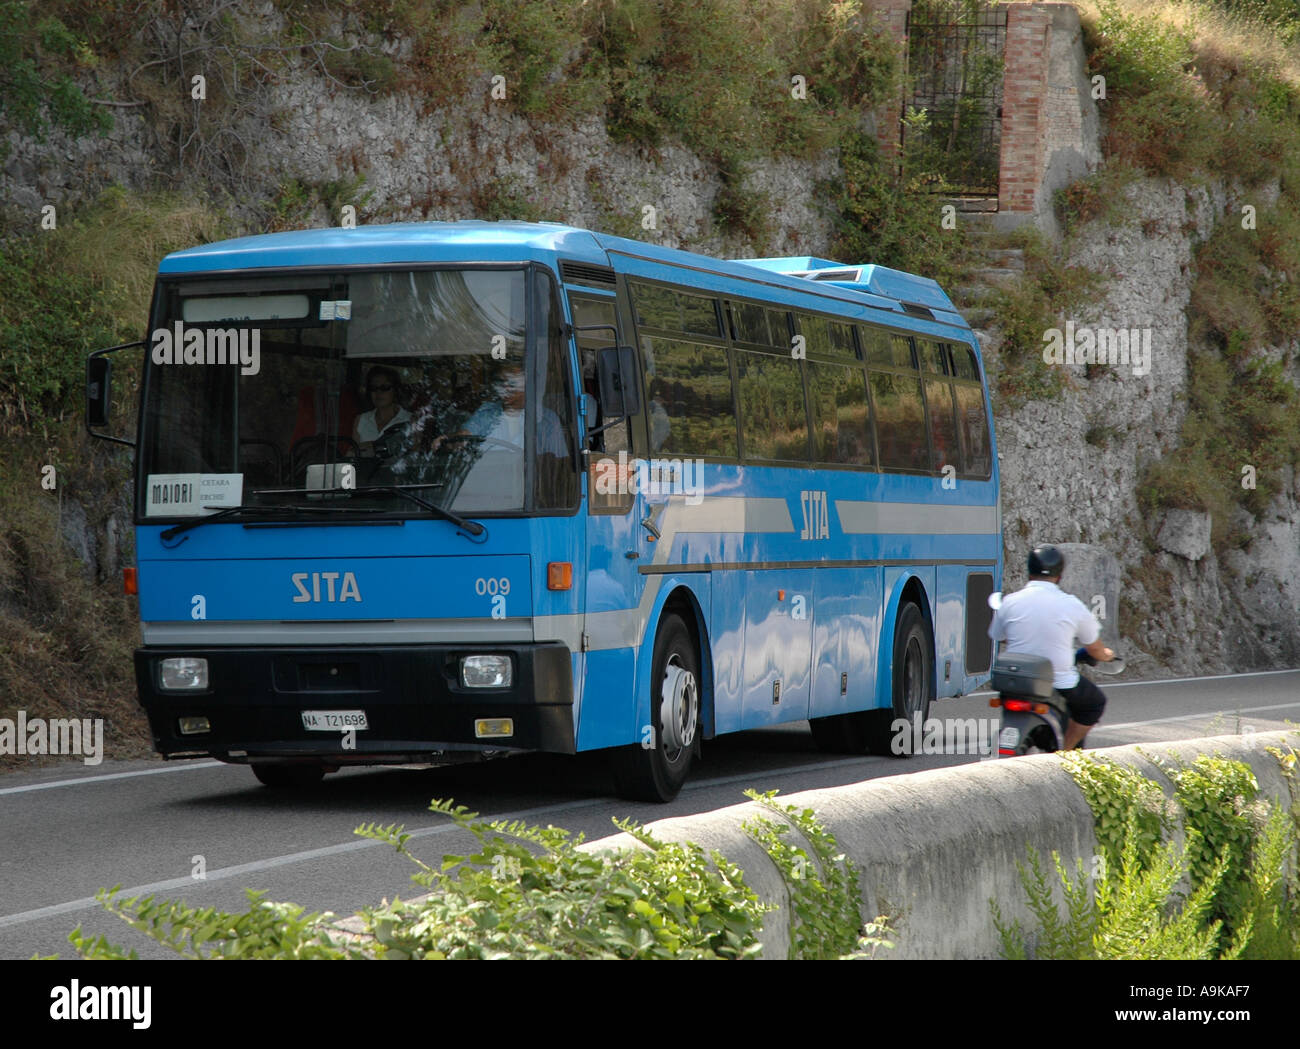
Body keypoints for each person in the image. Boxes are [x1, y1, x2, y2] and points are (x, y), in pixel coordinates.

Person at [989, 544, 1115, 750]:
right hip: (1058, 680)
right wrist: (1107, 655)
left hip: (1015, 678)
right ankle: (1066, 751)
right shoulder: (1072, 605)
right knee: (1095, 703)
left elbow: (998, 635)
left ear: (1029, 572)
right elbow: (1094, 649)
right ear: (1059, 575)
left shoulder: (1010, 602)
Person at [353, 366, 411, 457]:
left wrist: (370, 448)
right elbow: (353, 455)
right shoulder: (361, 419)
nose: (378, 392)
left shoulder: (410, 420)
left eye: (385, 387)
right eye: (374, 388)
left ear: (395, 390)